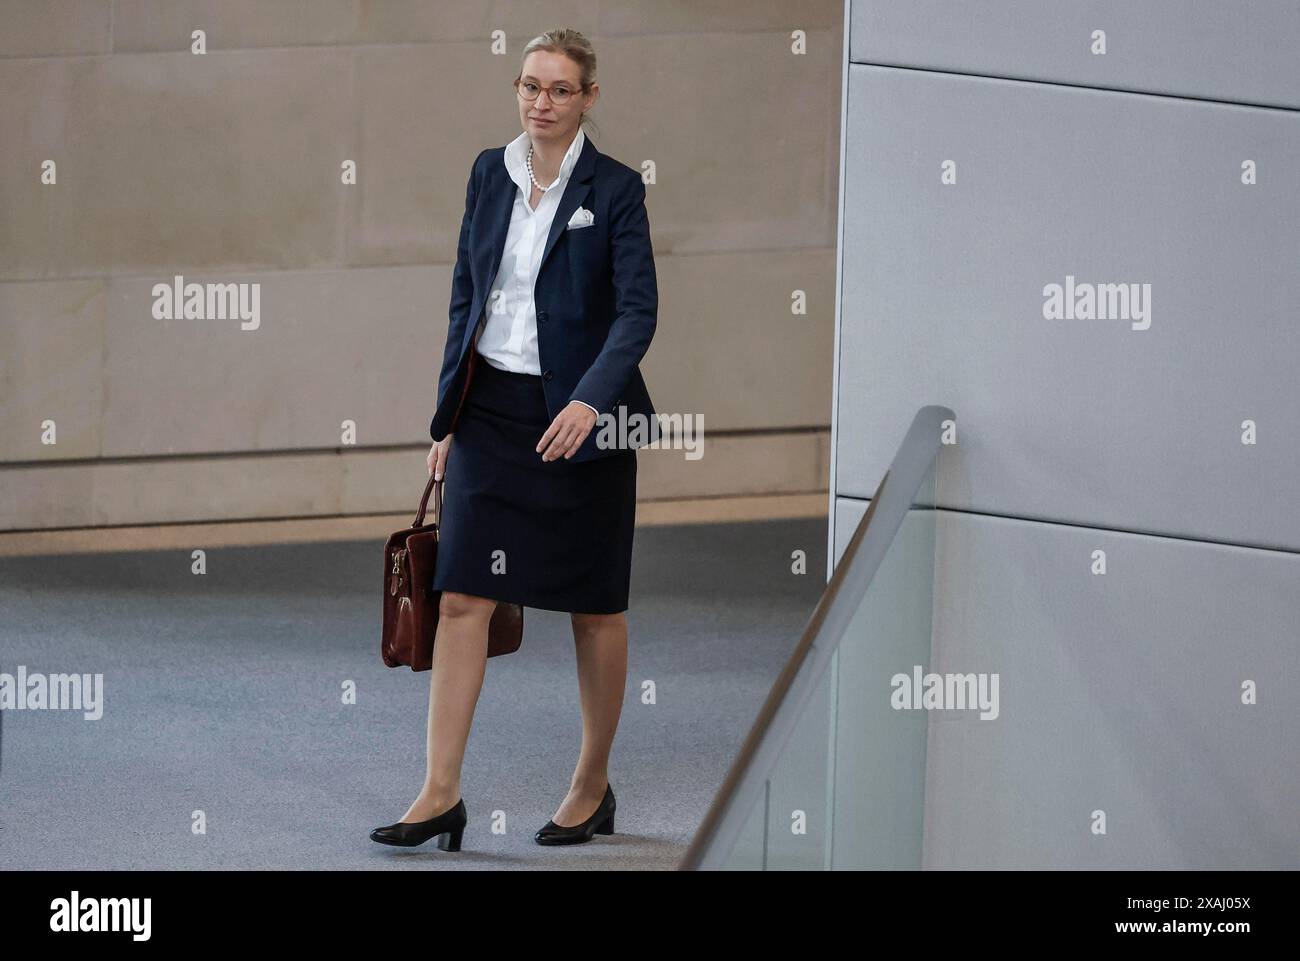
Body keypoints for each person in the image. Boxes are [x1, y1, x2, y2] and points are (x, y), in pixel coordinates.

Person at [370, 28, 659, 851]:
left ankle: (592, 784)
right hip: (491, 411)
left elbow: (637, 312)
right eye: (530, 85)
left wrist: (591, 403)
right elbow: (467, 294)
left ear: (589, 99)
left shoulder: (617, 191)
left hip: (584, 424)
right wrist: (447, 419)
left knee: (594, 608)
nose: (542, 101)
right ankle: (439, 792)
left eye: (560, 89)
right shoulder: (486, 174)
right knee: (461, 595)